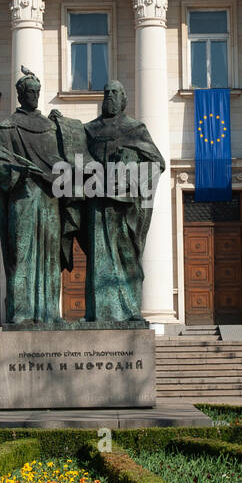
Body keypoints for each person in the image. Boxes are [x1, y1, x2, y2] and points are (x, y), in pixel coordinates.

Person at [0, 69, 74, 324]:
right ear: (20, 94)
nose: (34, 96)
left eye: (37, 91)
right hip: (23, 197)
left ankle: (49, 312)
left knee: (50, 255)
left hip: (50, 198)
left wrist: (64, 129)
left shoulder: (50, 126)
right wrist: (14, 170)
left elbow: (64, 159)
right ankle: (22, 312)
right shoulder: (8, 127)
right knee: (21, 253)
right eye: (29, 92)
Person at [78, 80, 165, 323]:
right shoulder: (89, 130)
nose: (110, 97)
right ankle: (100, 312)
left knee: (128, 253)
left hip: (126, 203)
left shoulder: (136, 129)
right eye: (106, 93)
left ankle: (130, 309)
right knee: (100, 257)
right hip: (98, 201)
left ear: (124, 98)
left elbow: (157, 162)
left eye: (115, 93)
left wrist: (132, 177)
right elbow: (77, 159)